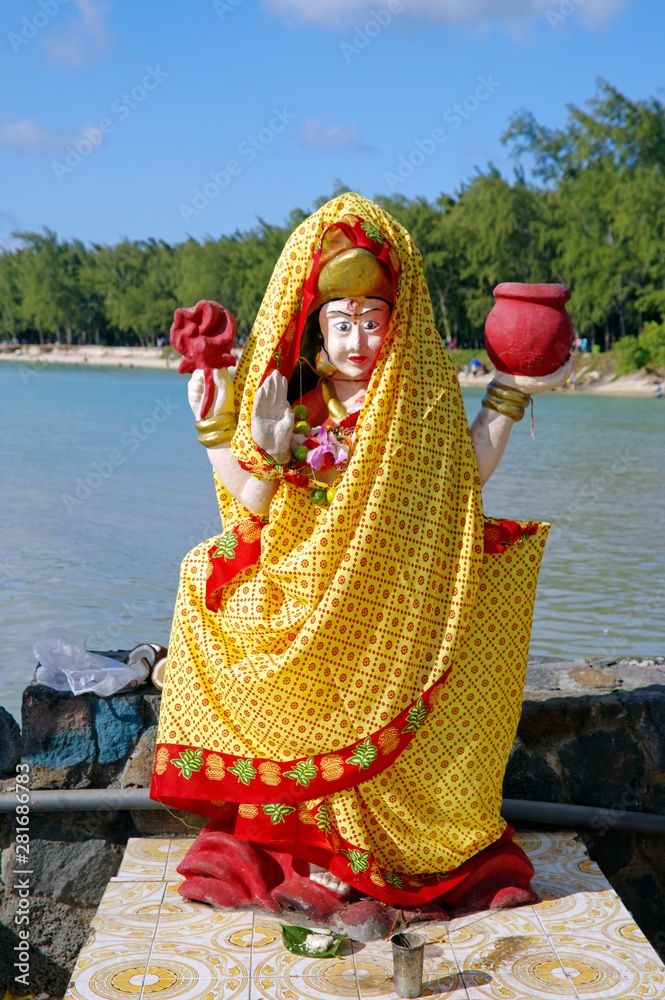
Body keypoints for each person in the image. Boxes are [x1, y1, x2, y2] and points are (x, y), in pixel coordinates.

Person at [151, 194, 570, 913]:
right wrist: (223, 425)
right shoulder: (300, 404)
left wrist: (506, 393)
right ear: (316, 327)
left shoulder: (416, 414)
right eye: (341, 324)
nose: (356, 341)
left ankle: (373, 856)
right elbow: (251, 504)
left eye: (372, 323)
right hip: (305, 587)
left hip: (391, 610)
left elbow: (460, 480)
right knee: (203, 576)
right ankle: (307, 853)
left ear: (394, 326)